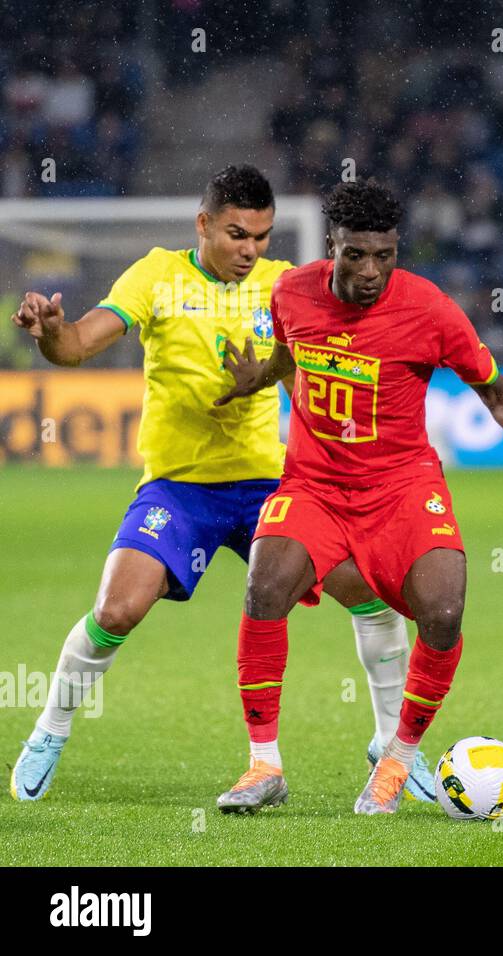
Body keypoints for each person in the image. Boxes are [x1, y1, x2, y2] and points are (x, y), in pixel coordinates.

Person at [7, 166, 436, 802]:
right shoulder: (156, 276)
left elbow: (309, 381)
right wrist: (49, 332)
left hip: (273, 487)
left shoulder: (286, 286)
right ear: (204, 224)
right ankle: (49, 729)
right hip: (181, 488)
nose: (251, 250)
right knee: (117, 610)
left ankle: (389, 748)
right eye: (237, 234)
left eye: (262, 237)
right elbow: (75, 346)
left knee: (373, 595)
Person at [212, 179, 503, 815]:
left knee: (443, 615)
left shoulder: (430, 309)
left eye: (385, 255)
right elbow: (291, 352)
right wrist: (258, 377)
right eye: (356, 255)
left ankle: (397, 758)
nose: (371, 272)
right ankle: (264, 764)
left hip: (402, 486)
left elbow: (495, 391)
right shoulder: (290, 292)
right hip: (315, 482)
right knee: (265, 583)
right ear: (330, 245)